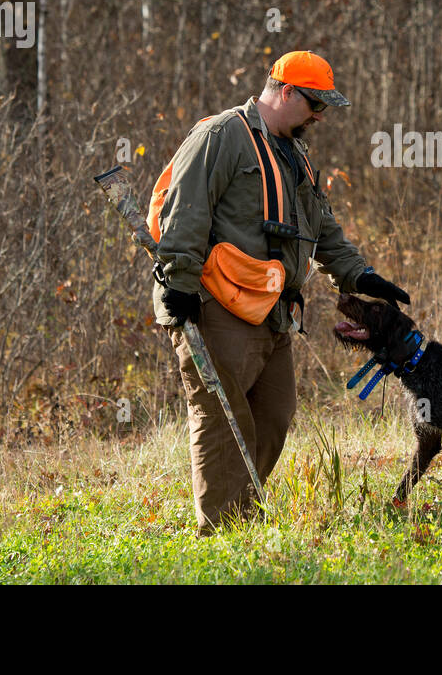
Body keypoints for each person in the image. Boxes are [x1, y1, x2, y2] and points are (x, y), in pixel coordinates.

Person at [150, 50, 410, 534]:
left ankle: (240, 517)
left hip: (273, 311)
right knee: (224, 423)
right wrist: (180, 287)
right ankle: (223, 535)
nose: (320, 116)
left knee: (274, 413)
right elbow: (184, 214)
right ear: (285, 91)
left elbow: (322, 226)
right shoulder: (220, 136)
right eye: (315, 104)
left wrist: (359, 276)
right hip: (214, 304)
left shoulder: (294, 151)